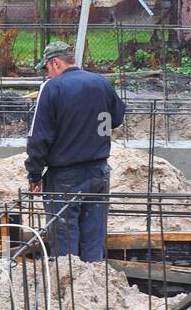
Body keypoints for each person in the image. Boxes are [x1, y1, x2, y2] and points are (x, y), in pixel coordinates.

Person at [25, 41, 125, 262]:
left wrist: (34, 173)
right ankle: (92, 280)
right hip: (99, 172)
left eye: (47, 69)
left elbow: (39, 137)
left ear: (56, 62)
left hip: (65, 176)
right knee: (93, 233)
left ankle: (68, 286)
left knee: (64, 240)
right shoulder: (101, 83)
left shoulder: (53, 88)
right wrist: (92, 130)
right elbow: (116, 117)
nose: (48, 75)